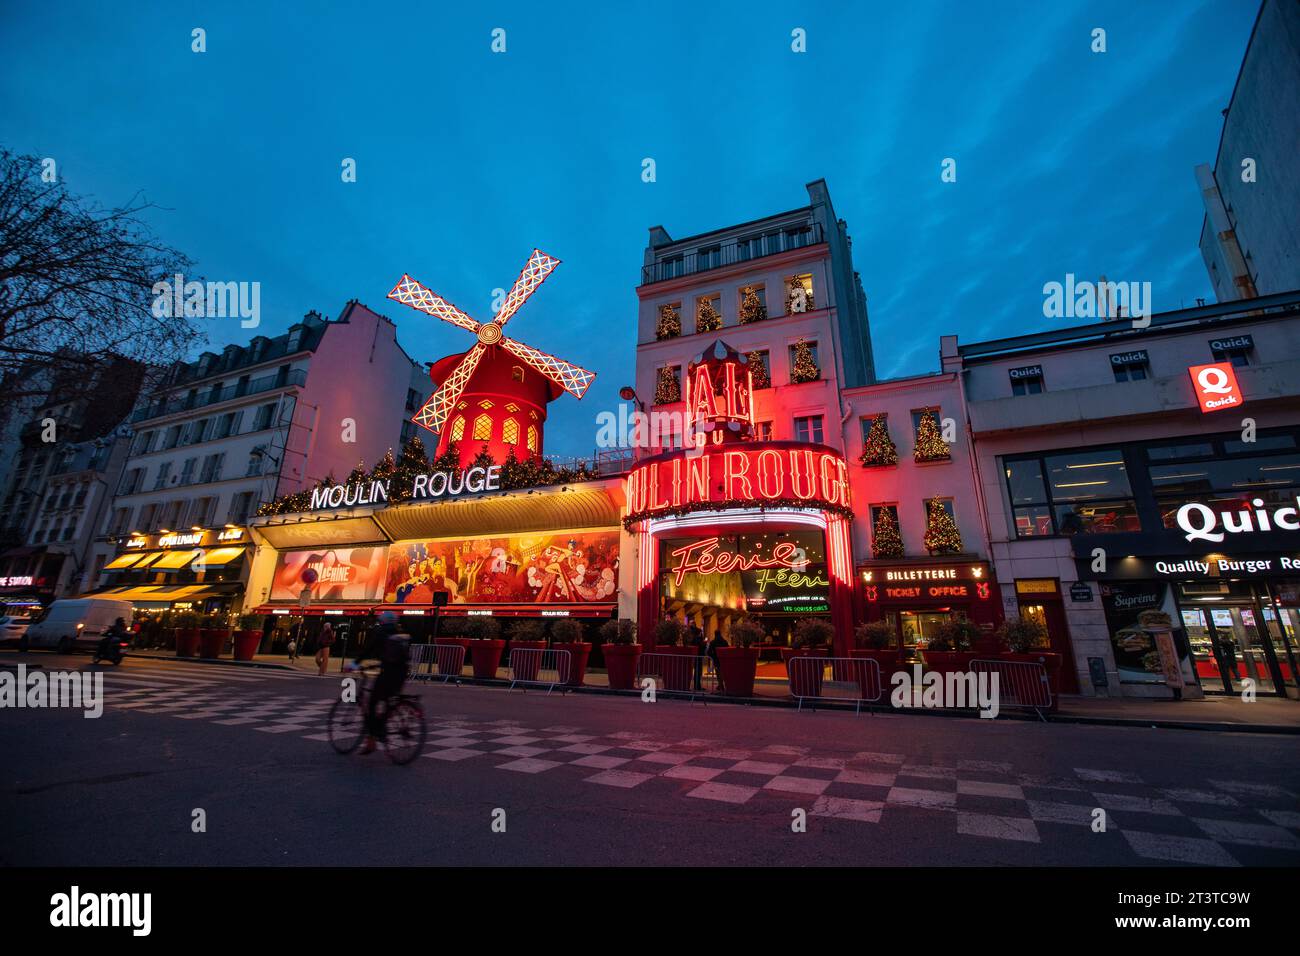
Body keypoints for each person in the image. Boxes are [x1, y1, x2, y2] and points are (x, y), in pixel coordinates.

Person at [345, 611, 410, 755]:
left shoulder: (381, 633)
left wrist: (355, 663)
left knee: (373, 702)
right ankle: (378, 732)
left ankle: (374, 736)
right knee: (387, 700)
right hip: (401, 674)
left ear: (382, 622)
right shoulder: (399, 634)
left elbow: (369, 650)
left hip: (388, 674)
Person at [706, 630, 729, 694]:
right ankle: (722, 686)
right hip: (724, 660)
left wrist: (713, 657)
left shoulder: (713, 642)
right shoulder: (724, 642)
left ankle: (721, 687)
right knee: (723, 673)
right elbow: (728, 650)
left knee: (718, 673)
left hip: (716, 660)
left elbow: (709, 652)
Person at [686, 623, 705, 690]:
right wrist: (703, 643)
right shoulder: (697, 638)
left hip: (693, 654)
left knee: (696, 671)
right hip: (698, 655)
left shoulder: (689, 634)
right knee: (698, 671)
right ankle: (697, 686)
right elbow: (701, 645)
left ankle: (697, 686)